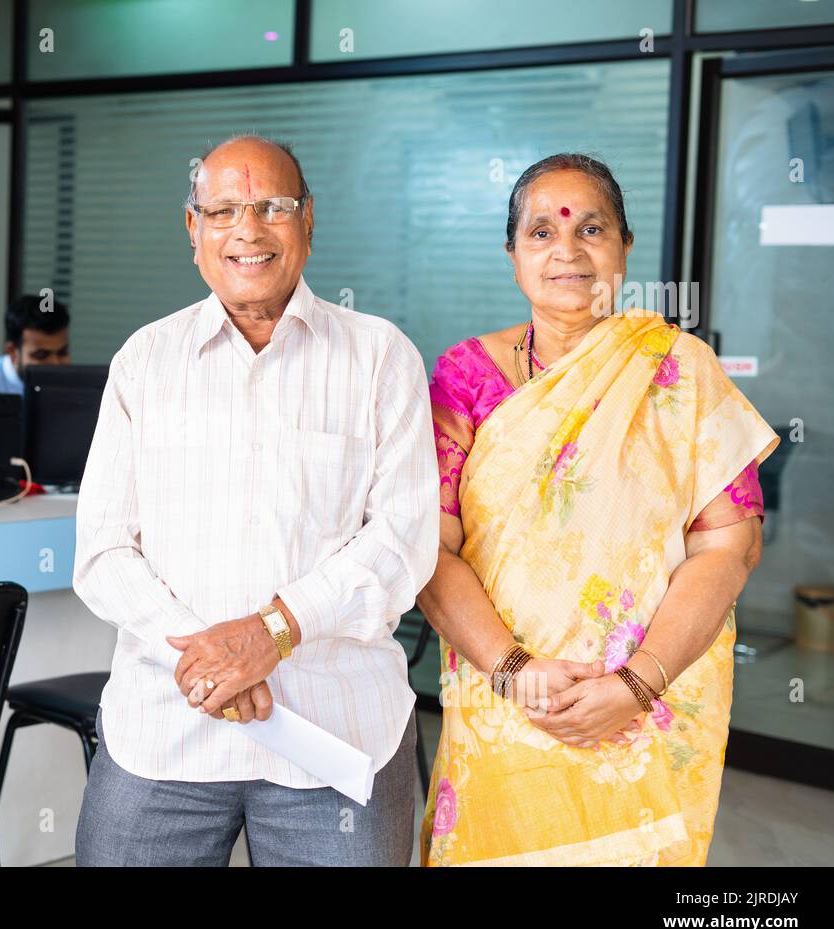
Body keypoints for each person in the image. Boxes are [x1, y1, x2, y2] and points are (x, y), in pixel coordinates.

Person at [72, 135, 439, 866]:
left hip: (336, 734)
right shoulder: (146, 359)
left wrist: (270, 633)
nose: (248, 229)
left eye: (273, 207)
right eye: (224, 210)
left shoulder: (379, 354)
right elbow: (106, 548)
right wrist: (215, 660)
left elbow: (401, 540)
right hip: (165, 732)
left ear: (309, 220)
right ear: (193, 229)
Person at [416, 153, 778, 866]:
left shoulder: (680, 370)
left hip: (643, 707)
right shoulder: (466, 377)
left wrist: (637, 683)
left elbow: (729, 549)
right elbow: (429, 549)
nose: (568, 251)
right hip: (508, 697)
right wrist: (514, 667)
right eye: (542, 232)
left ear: (624, 247)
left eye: (592, 228)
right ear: (514, 253)